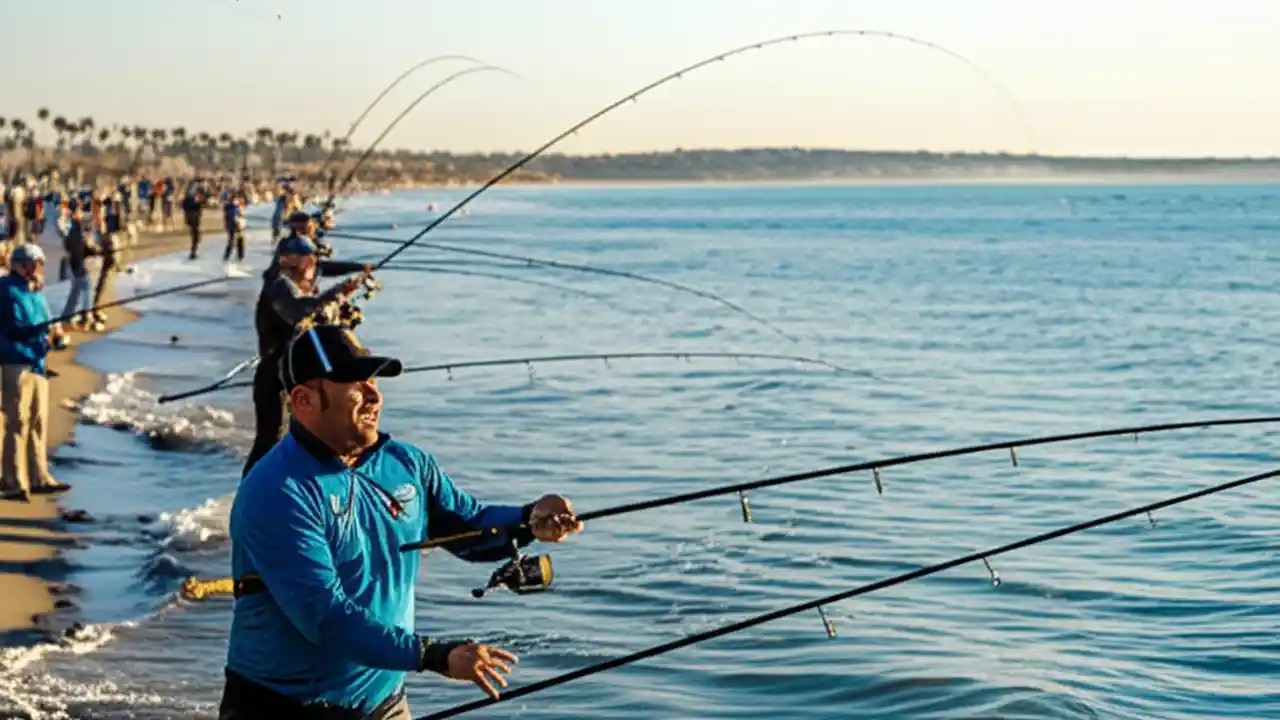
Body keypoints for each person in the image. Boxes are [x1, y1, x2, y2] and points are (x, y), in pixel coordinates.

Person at [220, 324, 583, 718]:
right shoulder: (277, 490)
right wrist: (435, 655)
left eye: (373, 380)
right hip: (279, 705)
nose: (374, 394)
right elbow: (325, 618)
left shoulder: (406, 464)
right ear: (304, 400)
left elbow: (469, 526)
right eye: (353, 383)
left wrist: (530, 520)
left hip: (383, 701)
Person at [243, 234, 372, 477]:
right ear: (289, 259)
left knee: (295, 441)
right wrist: (336, 292)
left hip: (293, 377)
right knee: (269, 441)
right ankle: (250, 493)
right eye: (308, 258)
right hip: (274, 377)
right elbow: (297, 312)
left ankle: (285, 491)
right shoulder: (279, 286)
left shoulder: (296, 285)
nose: (313, 263)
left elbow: (314, 326)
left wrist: (344, 319)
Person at [0, 244, 71, 502]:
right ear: (22, 264)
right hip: (15, 361)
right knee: (16, 422)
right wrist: (42, 334)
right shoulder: (6, 290)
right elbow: (16, 328)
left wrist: (56, 334)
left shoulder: (36, 291)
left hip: (39, 361)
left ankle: (40, 477)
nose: (41, 267)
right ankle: (12, 482)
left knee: (38, 421)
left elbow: (47, 320)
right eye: (37, 263)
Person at [56, 200, 97, 328]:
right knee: (87, 286)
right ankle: (85, 315)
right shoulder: (73, 226)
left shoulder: (73, 225)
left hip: (75, 260)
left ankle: (67, 316)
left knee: (77, 289)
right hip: (76, 261)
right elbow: (75, 246)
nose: (82, 213)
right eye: (79, 210)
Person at [223, 190, 247, 263]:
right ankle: (226, 257)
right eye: (238, 199)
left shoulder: (237, 207)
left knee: (240, 241)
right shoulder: (231, 208)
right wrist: (237, 224)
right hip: (233, 227)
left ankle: (240, 256)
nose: (240, 201)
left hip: (238, 227)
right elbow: (233, 218)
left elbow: (241, 216)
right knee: (232, 242)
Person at [183, 183, 205, 259]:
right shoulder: (193, 198)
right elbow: (198, 206)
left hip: (190, 217)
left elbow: (184, 206)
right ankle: (193, 252)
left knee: (194, 234)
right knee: (195, 235)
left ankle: (193, 250)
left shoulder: (187, 198)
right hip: (193, 217)